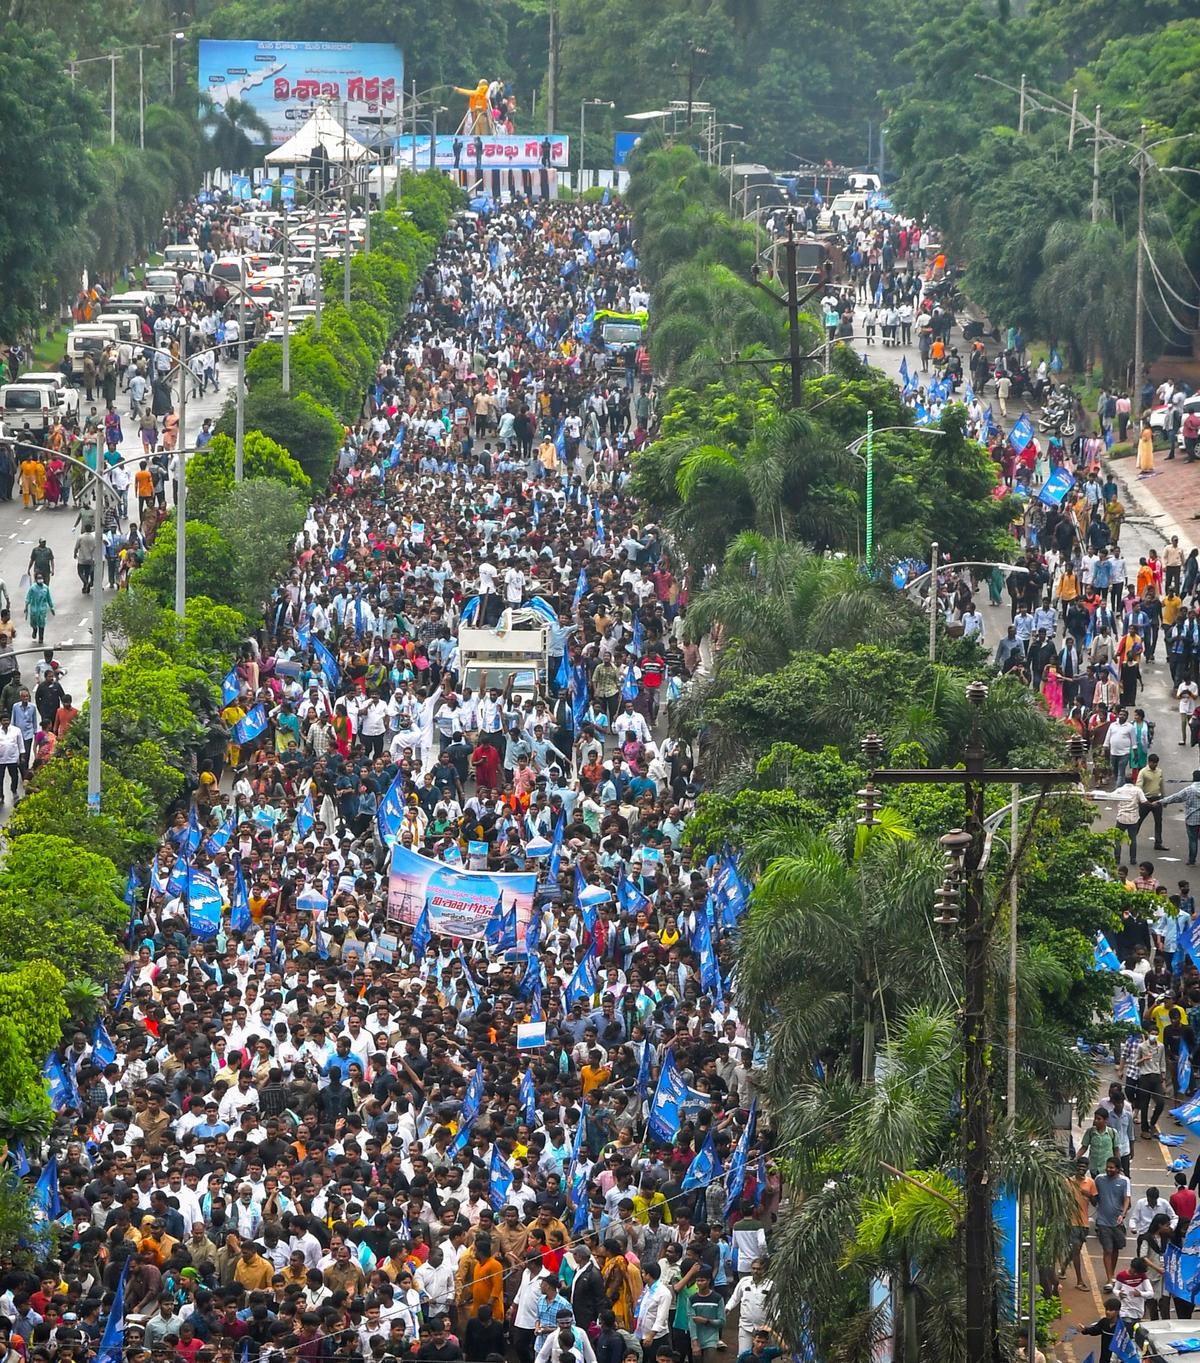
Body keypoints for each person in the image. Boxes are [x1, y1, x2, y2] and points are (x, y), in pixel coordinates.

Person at [1092, 1156, 1132, 1292]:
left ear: (1118, 1169)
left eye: (1112, 1167)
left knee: (1115, 1249)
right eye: (1108, 1167)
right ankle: (1109, 1278)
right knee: (1107, 1250)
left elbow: (1127, 1199)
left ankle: (1111, 1274)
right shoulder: (1099, 1179)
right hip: (1103, 1221)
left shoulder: (1124, 1181)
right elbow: (1094, 1195)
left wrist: (1123, 1214)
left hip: (1118, 1222)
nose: (1109, 1169)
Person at [1161, 770, 1200, 865]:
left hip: (1192, 819)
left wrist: (1163, 801)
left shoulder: (1189, 790)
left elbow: (1176, 797)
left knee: (1193, 840)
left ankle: (1192, 861)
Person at [23, 574, 53, 645]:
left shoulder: (45, 588)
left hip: (42, 609)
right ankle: (34, 630)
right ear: (36, 579)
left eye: (41, 578)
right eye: (39, 578)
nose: (40, 579)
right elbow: (28, 598)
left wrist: (52, 607)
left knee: (42, 623)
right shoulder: (32, 588)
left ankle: (41, 638)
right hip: (34, 609)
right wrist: (26, 607)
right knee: (33, 623)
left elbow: (49, 598)